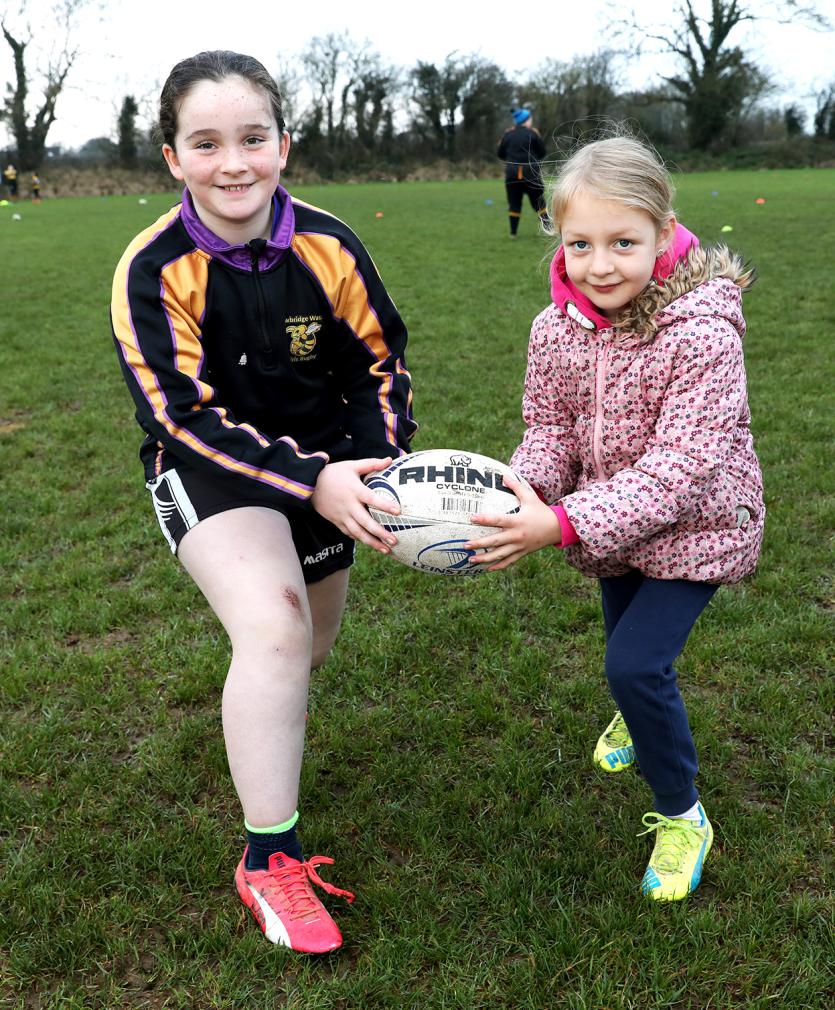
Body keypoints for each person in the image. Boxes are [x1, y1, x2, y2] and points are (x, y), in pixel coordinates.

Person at [110, 50, 417, 954]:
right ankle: (267, 859)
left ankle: (261, 704)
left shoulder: (329, 243)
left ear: (285, 145)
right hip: (207, 470)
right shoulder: (151, 267)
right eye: (206, 143)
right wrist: (309, 481)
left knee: (310, 645)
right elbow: (181, 415)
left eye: (252, 138)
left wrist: (378, 468)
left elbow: (379, 365)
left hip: (326, 464)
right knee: (276, 632)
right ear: (173, 158)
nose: (232, 162)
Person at [467, 135, 764, 902]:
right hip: (611, 525)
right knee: (622, 643)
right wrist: (521, 490)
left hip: (698, 526)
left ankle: (682, 815)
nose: (599, 265)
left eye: (622, 242)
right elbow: (550, 428)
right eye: (579, 244)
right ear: (558, 240)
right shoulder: (553, 329)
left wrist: (559, 525)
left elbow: (677, 472)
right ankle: (635, 716)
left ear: (664, 235)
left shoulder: (701, 334)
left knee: (633, 664)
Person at [496, 109, 548, 238]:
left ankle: (513, 234)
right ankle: (548, 229)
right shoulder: (533, 134)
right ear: (527, 120)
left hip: (512, 173)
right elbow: (542, 152)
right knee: (539, 202)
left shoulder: (508, 135)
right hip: (530, 172)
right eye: (530, 118)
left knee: (514, 203)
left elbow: (500, 154)